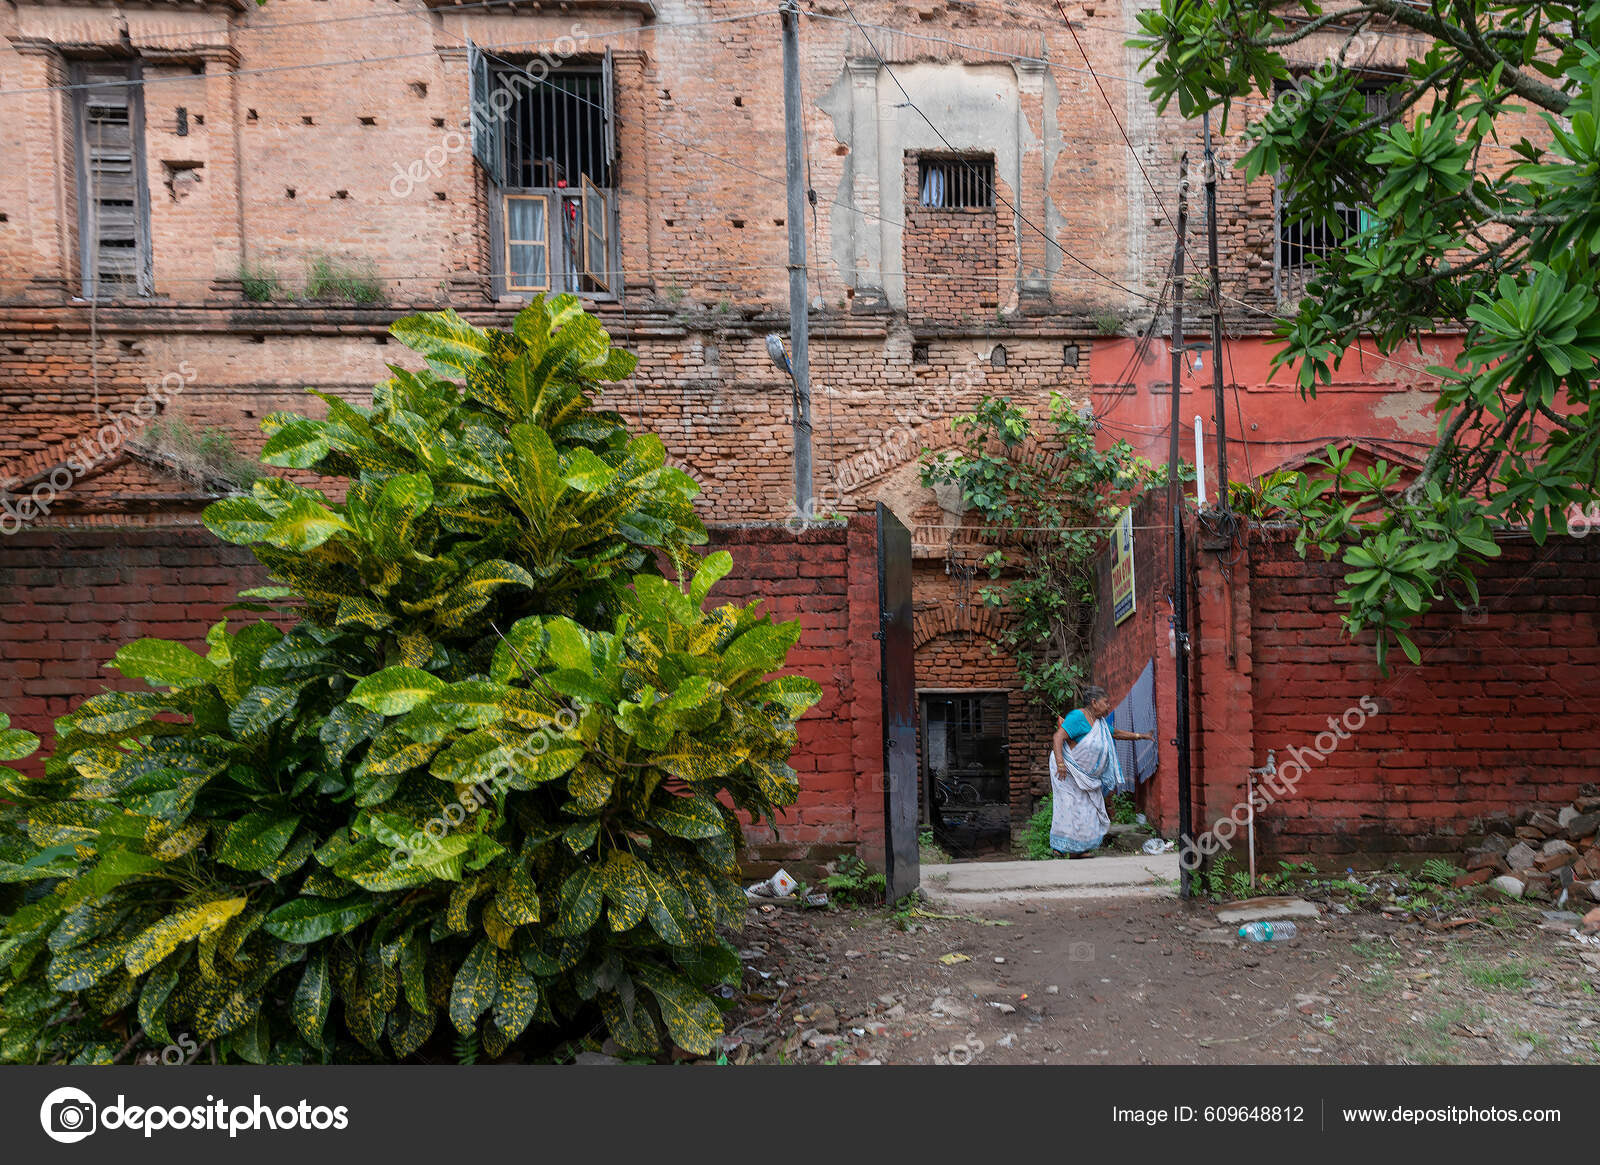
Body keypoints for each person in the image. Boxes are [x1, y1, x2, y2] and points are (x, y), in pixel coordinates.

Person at [1047, 685, 1152, 857]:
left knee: (1087, 809)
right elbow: (1058, 737)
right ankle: (1060, 846)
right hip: (1067, 772)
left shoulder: (1100, 723)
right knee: (1069, 805)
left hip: (1086, 776)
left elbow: (1115, 733)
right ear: (1094, 702)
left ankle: (1078, 851)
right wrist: (1060, 763)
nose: (1108, 706)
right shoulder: (1077, 717)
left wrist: (1141, 736)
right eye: (1106, 702)